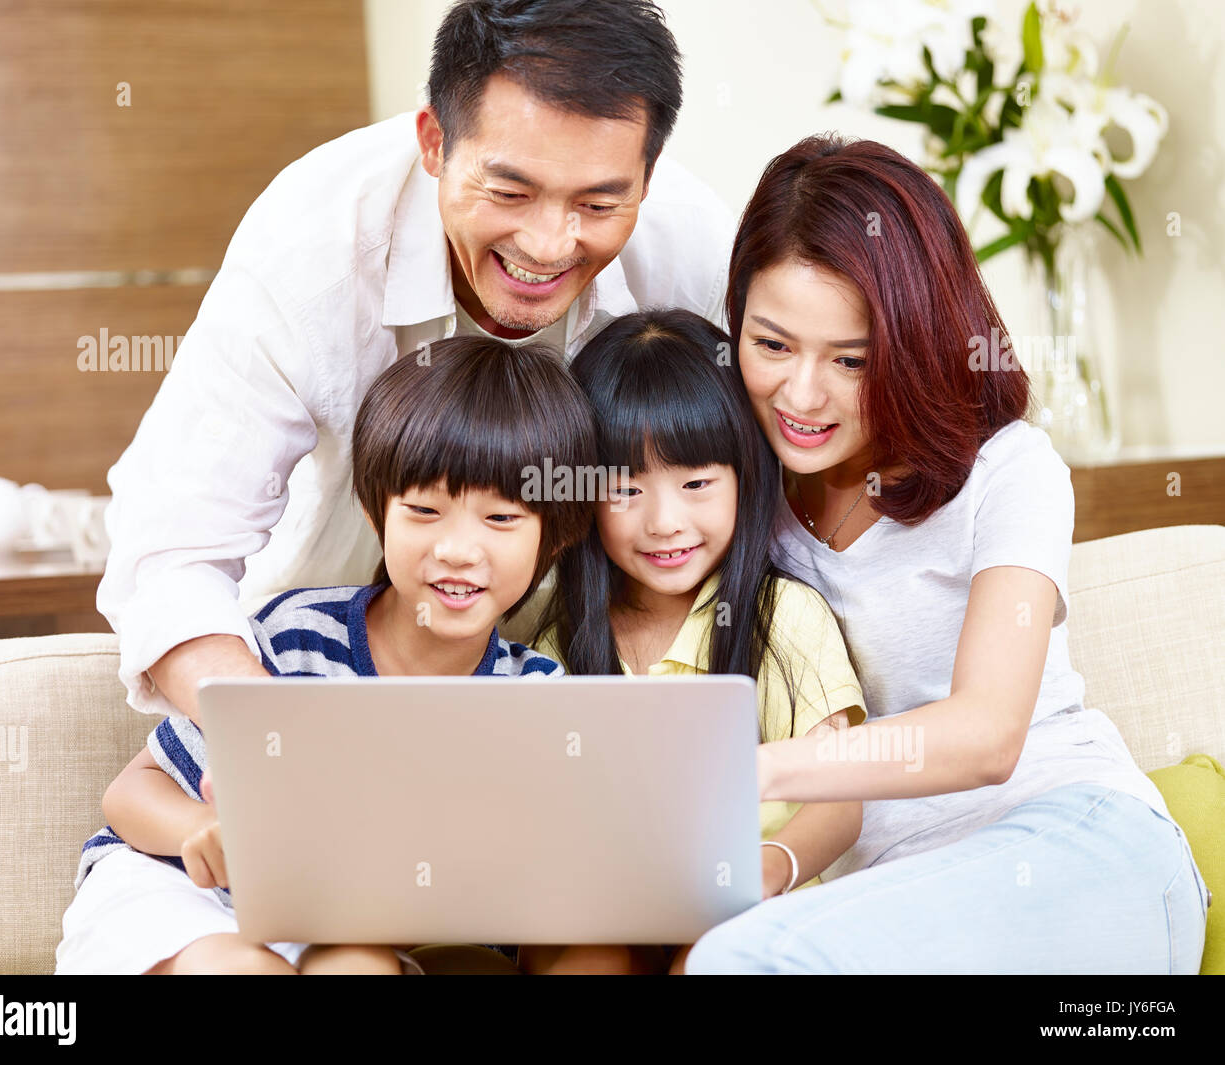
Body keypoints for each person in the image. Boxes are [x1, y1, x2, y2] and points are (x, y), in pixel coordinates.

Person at [96, 0, 735, 728]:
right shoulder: (311, 245)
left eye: (596, 204)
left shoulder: (692, 245)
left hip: (567, 674)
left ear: (647, 180)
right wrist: (281, 738)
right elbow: (171, 548)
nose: (551, 245)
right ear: (434, 142)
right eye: (510, 192)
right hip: (323, 668)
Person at [686, 135, 1211, 974]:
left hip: (1081, 846)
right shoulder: (734, 499)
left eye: (852, 360)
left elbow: (988, 733)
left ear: (918, 344)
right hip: (897, 897)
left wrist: (754, 771)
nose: (803, 394)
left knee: (742, 958)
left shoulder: (1009, 470)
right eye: (772, 344)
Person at [54, 337, 596, 974]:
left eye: (501, 519)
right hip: (178, 895)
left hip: (335, 926)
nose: (457, 550)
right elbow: (128, 794)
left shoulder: (537, 697)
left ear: (556, 532)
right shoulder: (299, 638)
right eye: (424, 511)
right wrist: (197, 831)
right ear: (374, 512)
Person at [530, 309, 867, 975]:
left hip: (758, 903)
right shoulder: (557, 642)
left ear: (744, 474)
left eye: (696, 484)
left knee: (713, 951)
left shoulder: (782, 618)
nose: (665, 522)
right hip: (618, 904)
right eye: (624, 489)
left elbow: (842, 800)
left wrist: (766, 869)